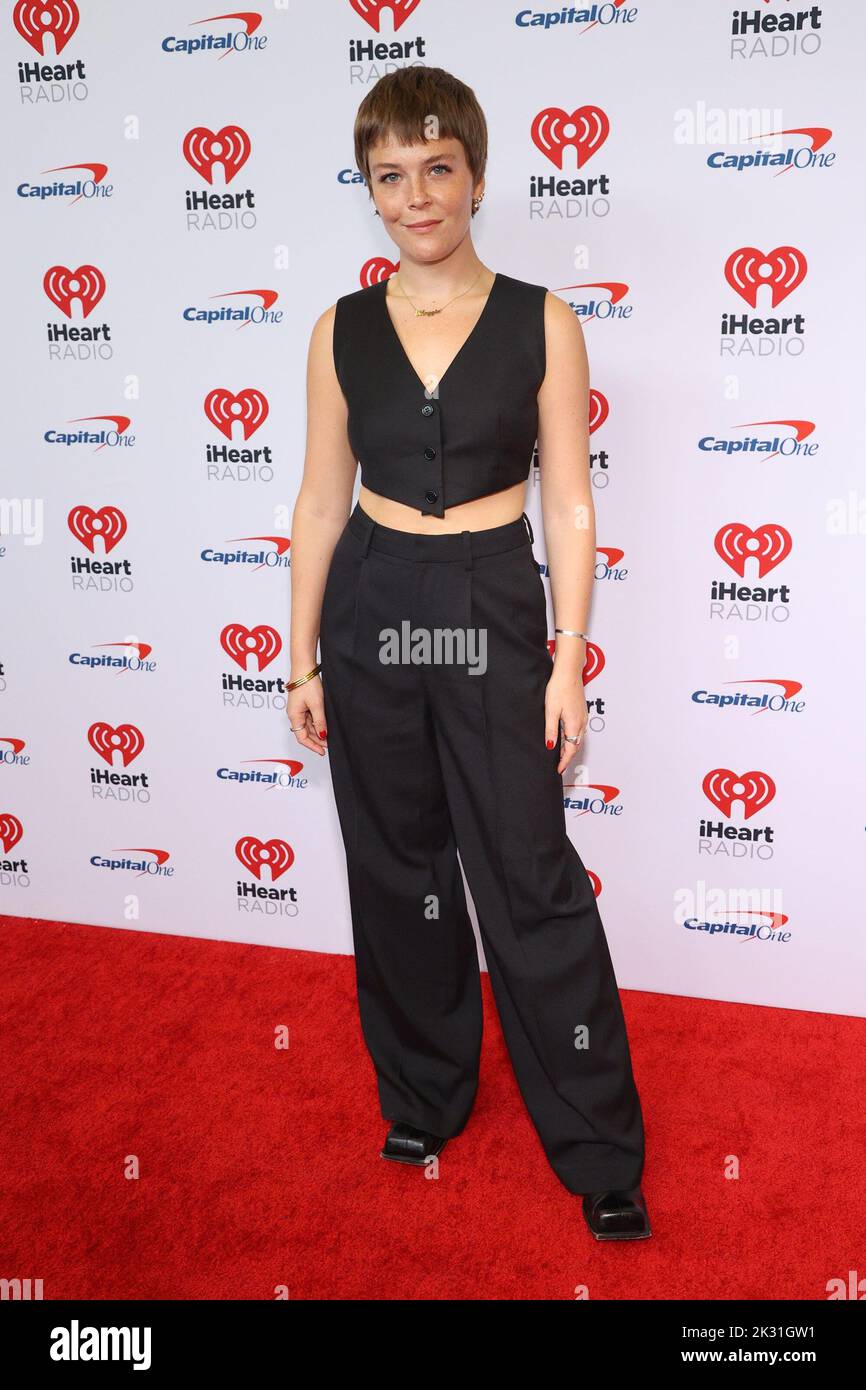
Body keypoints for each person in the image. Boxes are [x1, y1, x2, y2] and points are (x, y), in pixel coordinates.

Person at [287, 66, 651, 1242]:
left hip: (493, 604)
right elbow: (317, 504)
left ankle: (596, 1141)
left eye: (434, 169)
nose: (414, 196)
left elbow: (572, 506)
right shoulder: (336, 330)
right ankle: (423, 1095)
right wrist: (300, 657)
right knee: (400, 868)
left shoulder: (544, 318)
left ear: (476, 177)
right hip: (375, 605)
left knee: (529, 876)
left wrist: (567, 653)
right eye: (387, 177)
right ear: (370, 193)